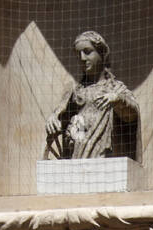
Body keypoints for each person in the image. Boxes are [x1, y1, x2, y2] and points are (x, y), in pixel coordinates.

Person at [45, 31, 140, 161]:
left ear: (101, 53)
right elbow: (62, 114)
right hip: (78, 153)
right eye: (78, 54)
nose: (82, 58)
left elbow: (132, 115)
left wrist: (118, 100)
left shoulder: (116, 88)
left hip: (106, 156)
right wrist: (53, 118)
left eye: (87, 51)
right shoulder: (75, 90)